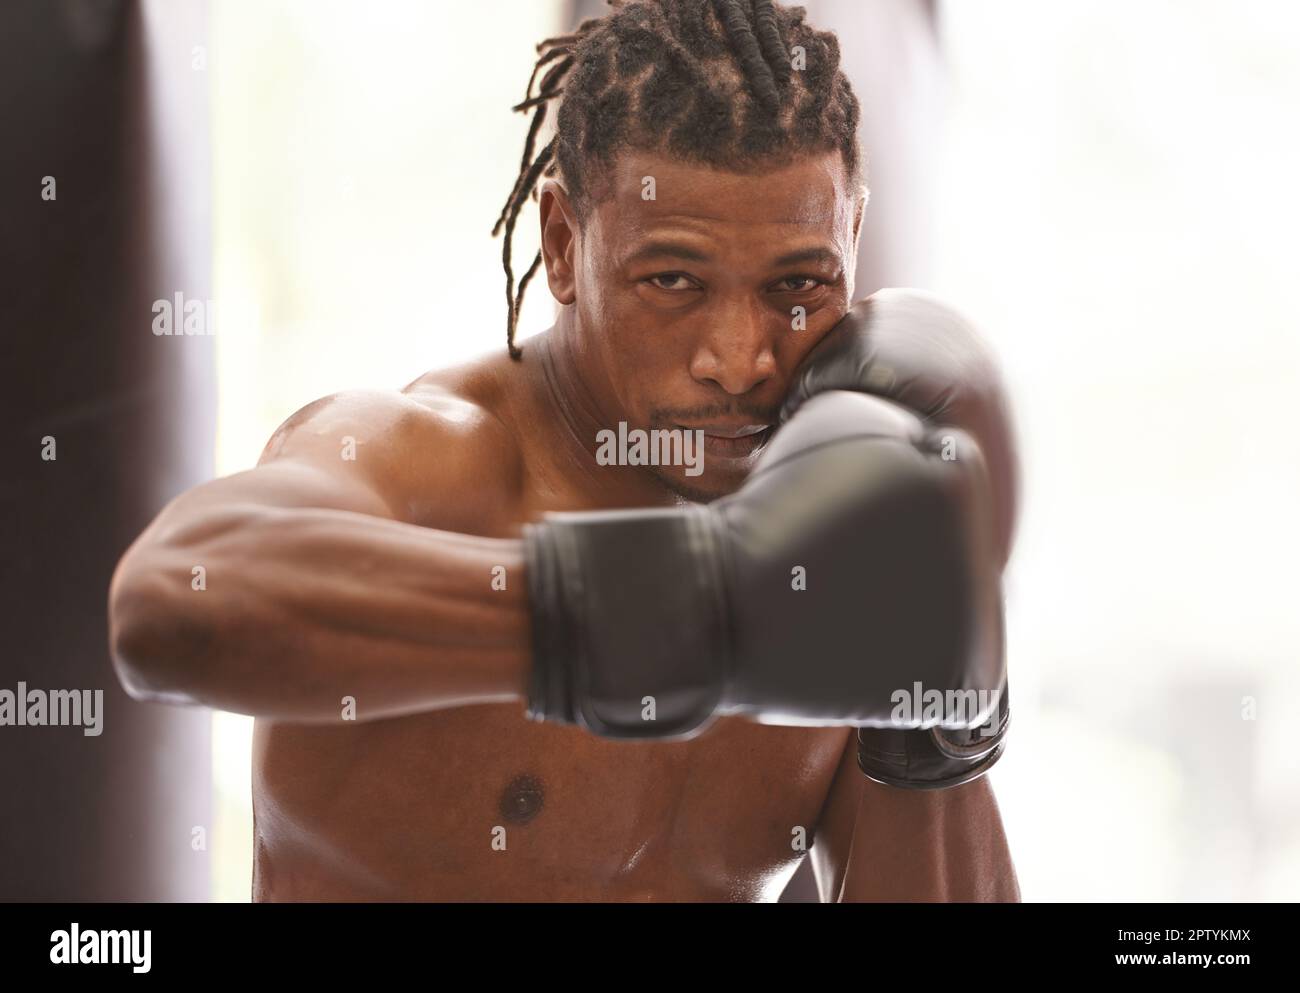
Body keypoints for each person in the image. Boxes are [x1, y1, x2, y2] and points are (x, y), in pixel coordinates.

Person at [108, 0, 1019, 902]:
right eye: (673, 280)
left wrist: (935, 731)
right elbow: (169, 598)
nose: (741, 361)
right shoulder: (430, 463)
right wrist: (681, 613)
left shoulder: (835, 545)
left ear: (852, 239)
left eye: (798, 284)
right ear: (560, 241)